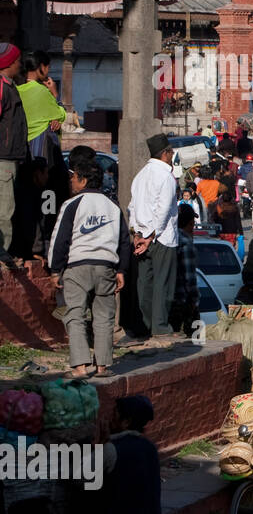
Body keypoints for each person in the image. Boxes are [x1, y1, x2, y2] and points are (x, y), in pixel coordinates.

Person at [48, 151, 131, 377]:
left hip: (78, 267)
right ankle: (102, 366)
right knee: (104, 317)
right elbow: (124, 240)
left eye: (74, 177)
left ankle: (80, 367)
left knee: (75, 314)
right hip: (106, 267)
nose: (71, 181)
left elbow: (60, 239)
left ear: (83, 180)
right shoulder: (113, 206)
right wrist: (121, 270)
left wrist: (55, 269)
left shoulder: (72, 204)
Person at [128, 134, 180, 341]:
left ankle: (148, 324)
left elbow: (132, 207)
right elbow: (164, 209)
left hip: (142, 236)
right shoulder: (165, 176)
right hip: (161, 237)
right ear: (165, 154)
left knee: (145, 283)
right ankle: (159, 327)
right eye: (171, 152)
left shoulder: (141, 175)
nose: (173, 155)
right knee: (162, 283)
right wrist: (150, 236)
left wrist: (137, 233)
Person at [0, 42, 26, 263]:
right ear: (9, 63)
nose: (20, 64)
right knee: (5, 209)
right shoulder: (2, 88)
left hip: (10, 156)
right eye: (17, 60)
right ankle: (2, 253)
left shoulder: (10, 86)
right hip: (3, 157)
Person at [170, 204, 200, 337]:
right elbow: (190, 278)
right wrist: (194, 300)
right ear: (191, 223)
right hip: (183, 302)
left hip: (169, 301)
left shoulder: (170, 239)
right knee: (194, 341)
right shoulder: (186, 243)